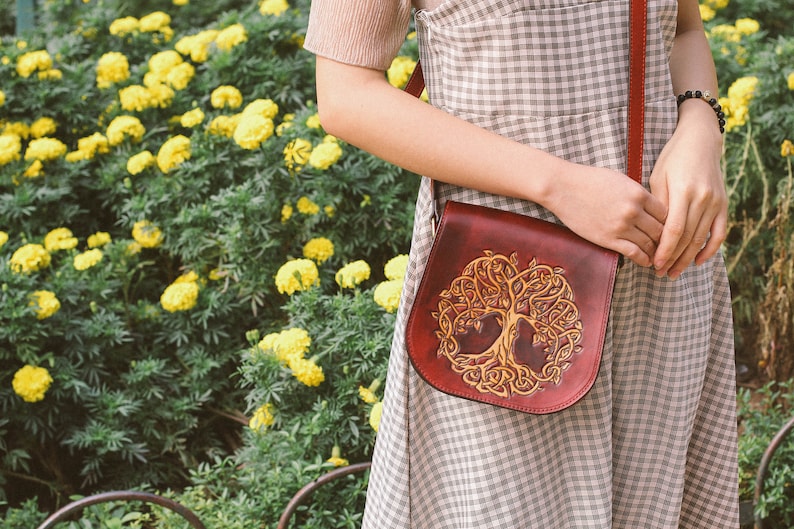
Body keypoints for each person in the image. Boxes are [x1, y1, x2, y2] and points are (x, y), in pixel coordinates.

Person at [304, 0, 739, 527]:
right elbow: (346, 95)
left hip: (660, 265)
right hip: (504, 293)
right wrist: (558, 185)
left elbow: (684, 29)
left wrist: (700, 126)